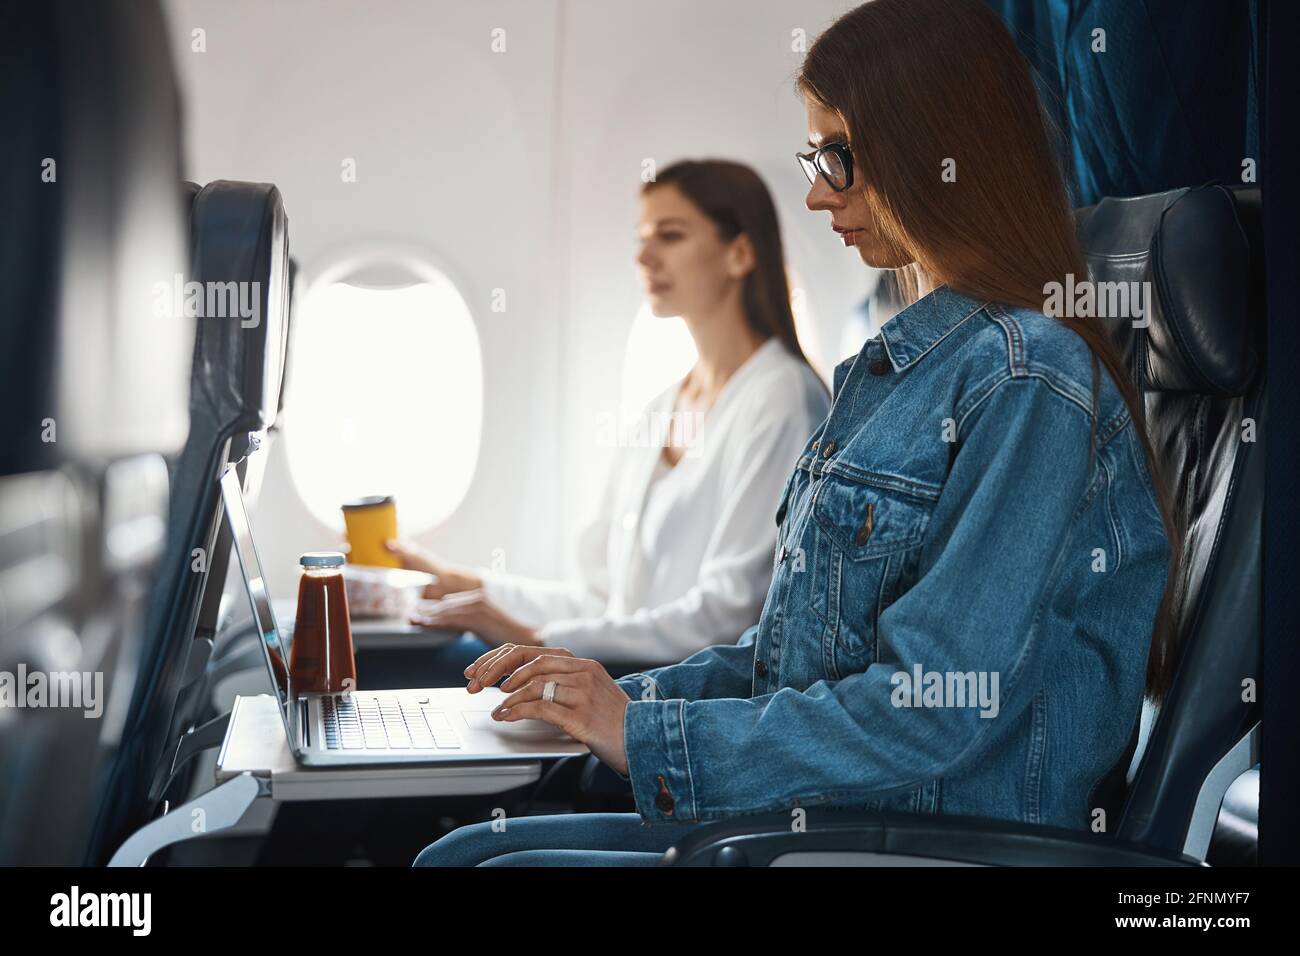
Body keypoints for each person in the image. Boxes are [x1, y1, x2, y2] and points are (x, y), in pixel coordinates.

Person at [412, 0, 1182, 866]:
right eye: (816, 158)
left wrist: (650, 736)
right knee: (472, 851)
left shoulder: (1024, 380)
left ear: (933, 150)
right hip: (834, 815)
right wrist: (604, 697)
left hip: (928, 840)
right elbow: (796, 655)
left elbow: (931, 709)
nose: (817, 193)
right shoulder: (891, 374)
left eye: (839, 157)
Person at [387, 160, 829, 681]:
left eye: (670, 235)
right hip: (617, 670)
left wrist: (535, 642)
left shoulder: (782, 399)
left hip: (687, 688)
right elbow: (599, 598)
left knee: (427, 669)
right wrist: (470, 586)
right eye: (642, 238)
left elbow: (727, 615)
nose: (643, 256)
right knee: (403, 652)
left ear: (740, 252)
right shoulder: (664, 404)